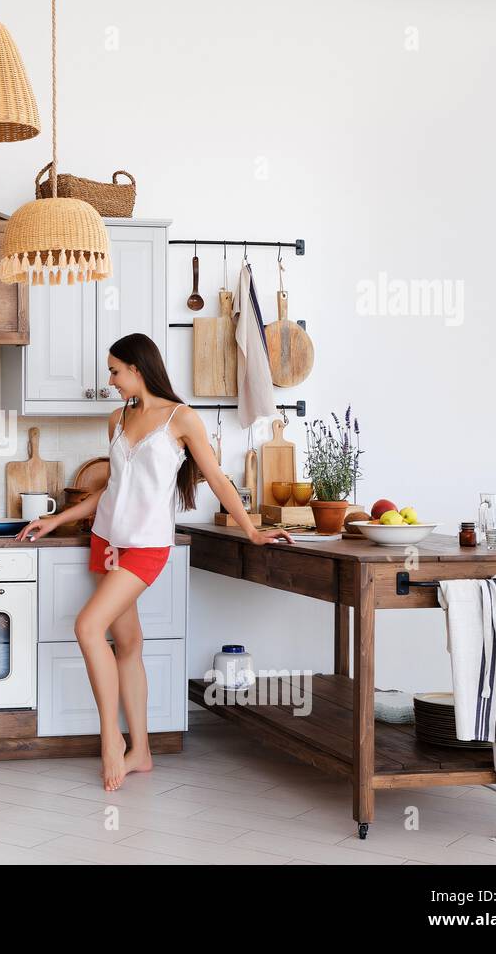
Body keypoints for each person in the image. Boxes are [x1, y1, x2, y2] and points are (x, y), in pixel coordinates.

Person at [19, 333, 293, 790]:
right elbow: (112, 490)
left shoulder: (181, 419)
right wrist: (56, 520)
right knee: (127, 645)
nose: (109, 380)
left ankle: (112, 740)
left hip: (146, 546)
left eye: (114, 371)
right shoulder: (117, 418)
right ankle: (141, 751)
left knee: (88, 628)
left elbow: (217, 479)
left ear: (137, 369)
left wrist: (251, 529)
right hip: (107, 539)